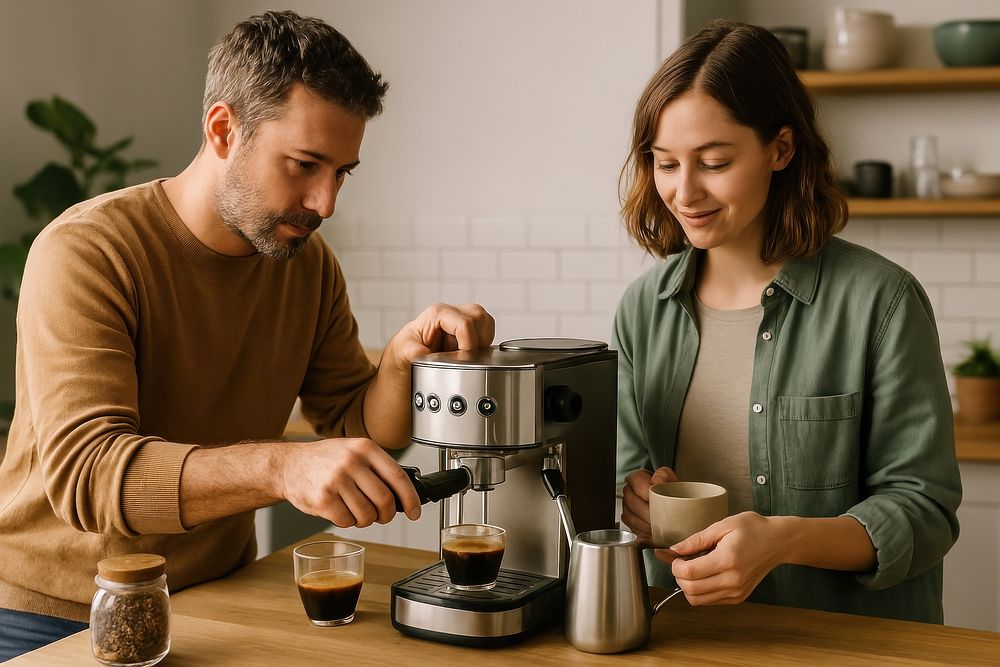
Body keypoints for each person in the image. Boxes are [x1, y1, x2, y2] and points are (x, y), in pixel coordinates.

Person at [0, 10, 494, 660]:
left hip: (216, 593)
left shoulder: (307, 265)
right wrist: (281, 466)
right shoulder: (89, 252)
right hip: (56, 611)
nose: (326, 202)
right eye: (305, 164)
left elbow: (351, 429)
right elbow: (91, 474)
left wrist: (401, 362)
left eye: (342, 171)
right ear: (224, 129)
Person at [614, 19, 961, 624]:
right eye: (665, 164)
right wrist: (636, 497)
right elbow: (625, 471)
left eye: (714, 162)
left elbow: (924, 511)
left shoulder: (882, 301)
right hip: (686, 637)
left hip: (844, 645)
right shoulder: (643, 309)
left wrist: (783, 542)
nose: (684, 191)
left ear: (781, 148)